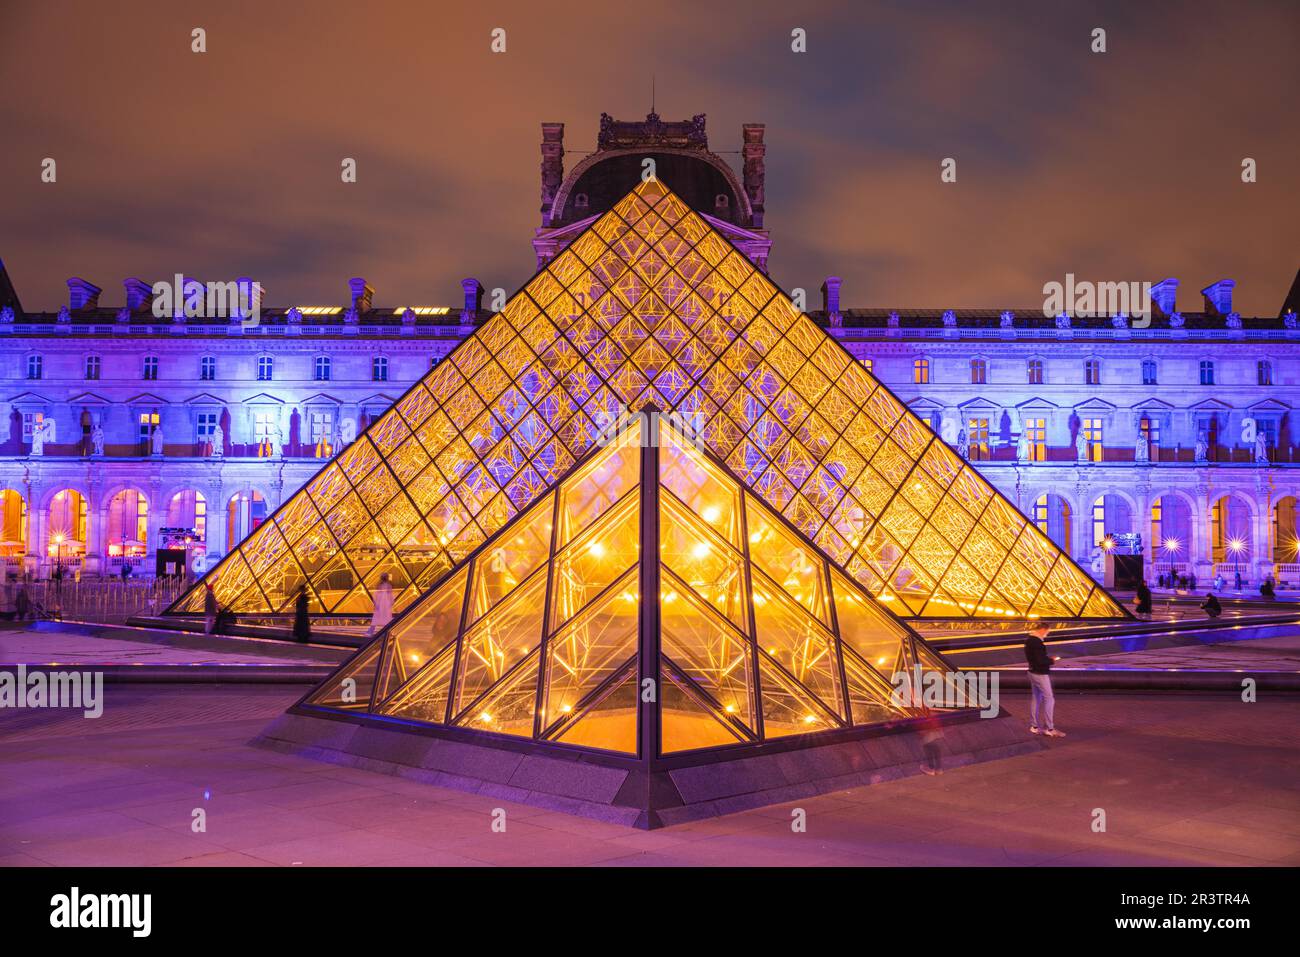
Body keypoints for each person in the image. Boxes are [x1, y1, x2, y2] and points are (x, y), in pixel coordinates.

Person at [1023, 624, 1065, 737]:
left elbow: (1035, 658)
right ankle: (1050, 728)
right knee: (1049, 699)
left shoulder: (1029, 640)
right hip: (1040, 674)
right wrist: (1051, 660)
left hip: (1032, 672)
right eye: (1047, 631)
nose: (1047, 633)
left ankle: (1034, 726)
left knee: (1036, 698)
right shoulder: (1037, 643)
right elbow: (1040, 660)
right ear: (1042, 630)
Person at [367, 573, 394, 637]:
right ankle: (388, 632)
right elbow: (391, 595)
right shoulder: (389, 585)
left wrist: (376, 604)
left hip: (380, 604)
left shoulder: (378, 585)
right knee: (387, 618)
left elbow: (376, 595)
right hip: (386, 604)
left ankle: (371, 631)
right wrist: (391, 603)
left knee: (376, 618)